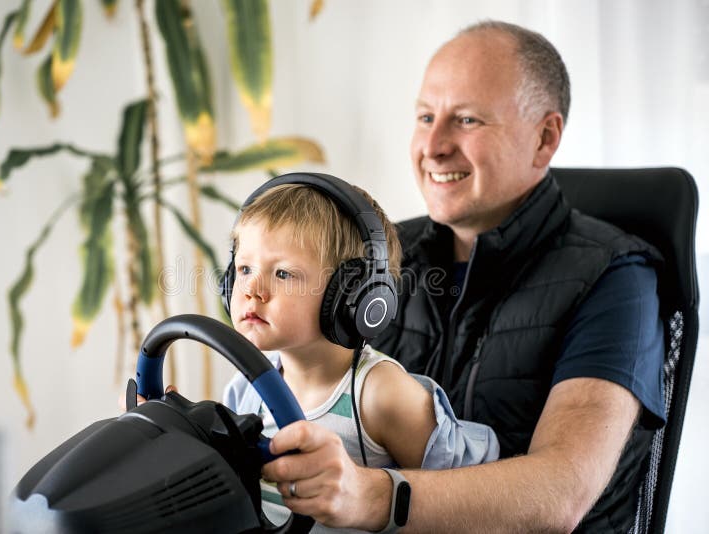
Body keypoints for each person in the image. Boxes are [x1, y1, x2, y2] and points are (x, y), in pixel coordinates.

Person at [259, 21, 665, 533]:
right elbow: (301, 386)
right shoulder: (379, 258)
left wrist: (372, 497)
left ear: (545, 138)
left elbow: (559, 494)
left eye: (467, 120)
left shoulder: (615, 277)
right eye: (426, 116)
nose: (433, 145)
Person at [221, 181, 498, 531]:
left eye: (283, 273)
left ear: (352, 295)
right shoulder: (246, 386)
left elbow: (462, 501)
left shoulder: (381, 393)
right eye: (244, 269)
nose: (251, 290)